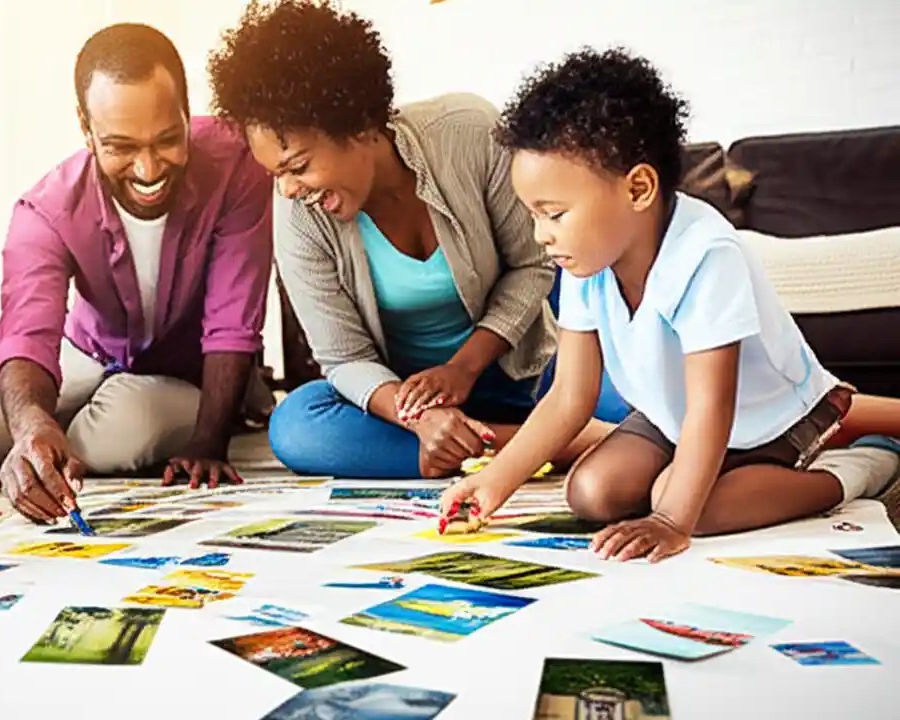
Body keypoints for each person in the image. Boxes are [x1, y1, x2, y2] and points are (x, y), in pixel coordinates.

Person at [440, 48, 900, 562]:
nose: (540, 235)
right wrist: (495, 483)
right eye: (534, 215)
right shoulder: (585, 261)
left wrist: (670, 520)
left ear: (638, 188)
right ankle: (697, 485)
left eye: (554, 214)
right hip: (672, 416)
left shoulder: (707, 254)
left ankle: (859, 468)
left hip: (765, 419)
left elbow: (713, 407)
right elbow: (570, 395)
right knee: (591, 492)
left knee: (692, 509)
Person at [207, 0, 611, 479]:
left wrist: (462, 369)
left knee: (638, 394)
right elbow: (344, 358)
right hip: (407, 402)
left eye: (298, 167)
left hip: (515, 372)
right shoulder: (297, 215)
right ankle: (541, 441)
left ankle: (510, 436)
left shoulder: (470, 134)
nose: (289, 189)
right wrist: (416, 415)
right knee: (295, 426)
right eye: (276, 174)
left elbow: (534, 265)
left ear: (357, 125)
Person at [0, 23, 273, 521]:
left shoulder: (237, 166)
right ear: (86, 128)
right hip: (89, 357)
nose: (148, 170)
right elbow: (26, 336)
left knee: (129, 425)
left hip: (186, 379)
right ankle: (41, 443)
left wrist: (209, 442)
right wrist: (32, 422)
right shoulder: (46, 210)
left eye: (167, 139)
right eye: (121, 146)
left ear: (187, 112)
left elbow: (233, 321)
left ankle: (54, 446)